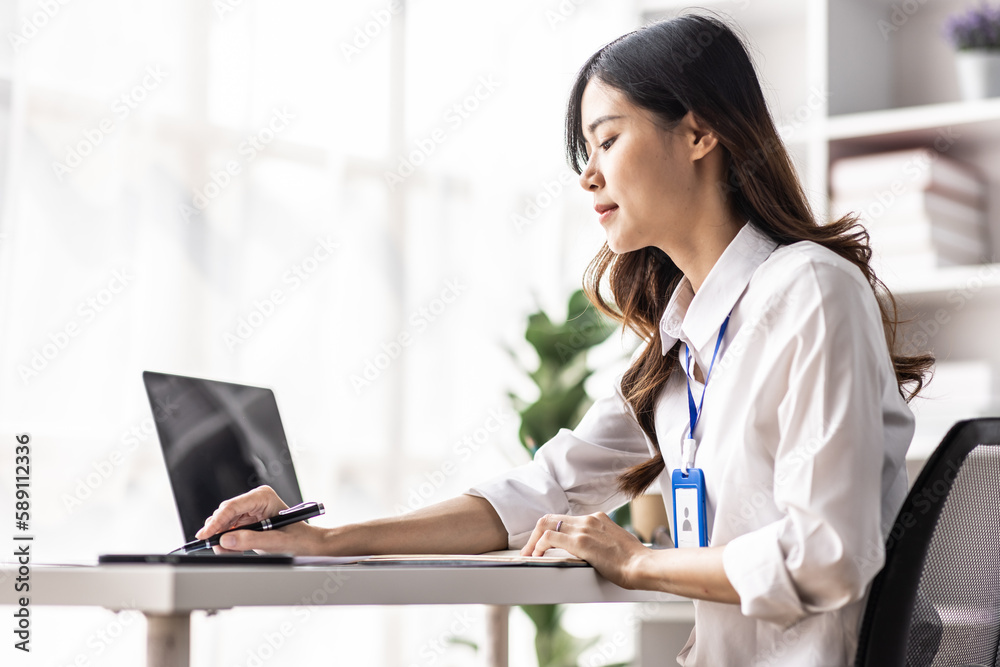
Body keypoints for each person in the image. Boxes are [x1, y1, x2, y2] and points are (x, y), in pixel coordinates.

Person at [196, 12, 933, 666]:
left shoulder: (809, 291)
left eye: (607, 139)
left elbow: (827, 558)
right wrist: (328, 538)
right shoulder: (682, 344)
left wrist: (638, 562)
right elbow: (538, 491)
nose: (587, 176)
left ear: (700, 131)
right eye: (585, 150)